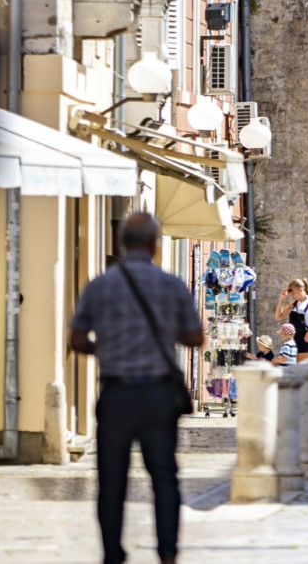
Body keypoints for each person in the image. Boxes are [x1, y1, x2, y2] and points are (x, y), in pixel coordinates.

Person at [68, 212, 205, 564]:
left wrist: (111, 346)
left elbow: (78, 339)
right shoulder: (171, 285)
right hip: (158, 394)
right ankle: (168, 554)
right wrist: (161, 333)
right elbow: (195, 337)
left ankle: (113, 554)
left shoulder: (100, 285)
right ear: (155, 245)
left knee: (111, 480)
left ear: (122, 243)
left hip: (116, 393)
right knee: (164, 476)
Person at [274, 278, 308, 362]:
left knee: (305, 369)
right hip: (293, 339)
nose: (292, 296)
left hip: (306, 339)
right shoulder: (294, 303)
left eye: (293, 293)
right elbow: (278, 316)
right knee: (294, 368)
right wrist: (282, 299)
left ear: (300, 290)